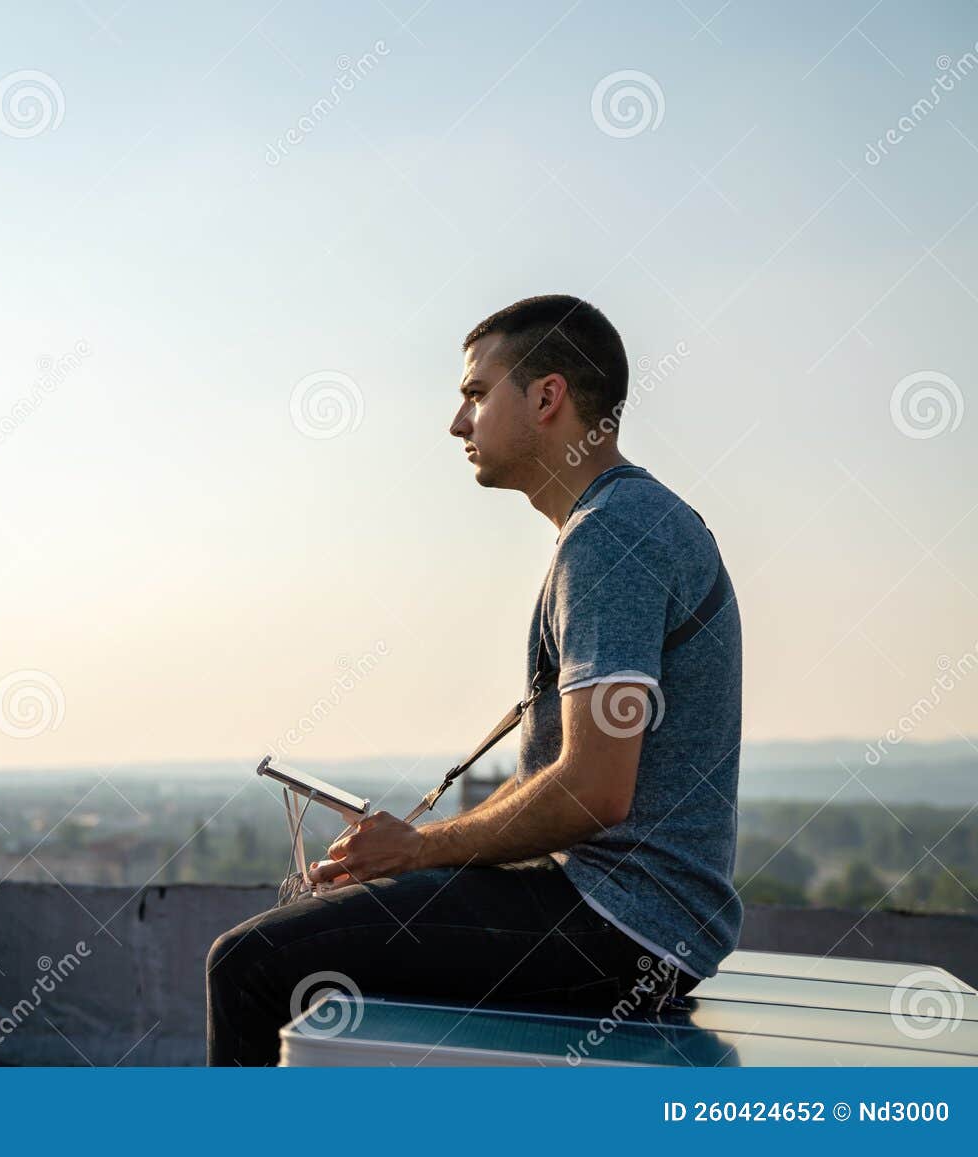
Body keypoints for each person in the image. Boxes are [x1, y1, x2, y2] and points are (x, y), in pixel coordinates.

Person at [205, 294, 743, 1066]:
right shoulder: (627, 522)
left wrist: (421, 850)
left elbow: (595, 790)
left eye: (476, 394)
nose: (458, 423)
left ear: (548, 397)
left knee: (248, 964)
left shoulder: (612, 536)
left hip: (623, 927)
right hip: (635, 917)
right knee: (324, 944)